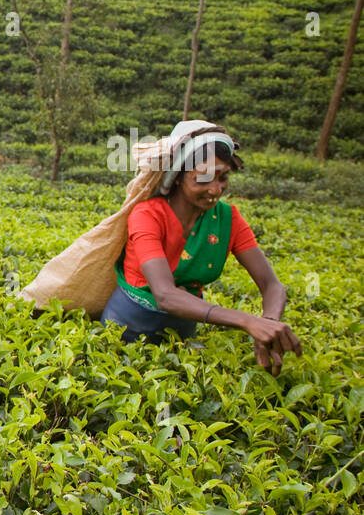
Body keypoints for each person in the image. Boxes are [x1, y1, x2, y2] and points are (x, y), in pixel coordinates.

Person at [103, 119, 302, 373]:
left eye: (223, 178)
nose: (215, 190)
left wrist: (269, 324)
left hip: (183, 334)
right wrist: (246, 321)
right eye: (203, 179)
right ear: (177, 177)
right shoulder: (147, 215)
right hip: (126, 330)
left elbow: (270, 284)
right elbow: (165, 294)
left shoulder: (228, 219)